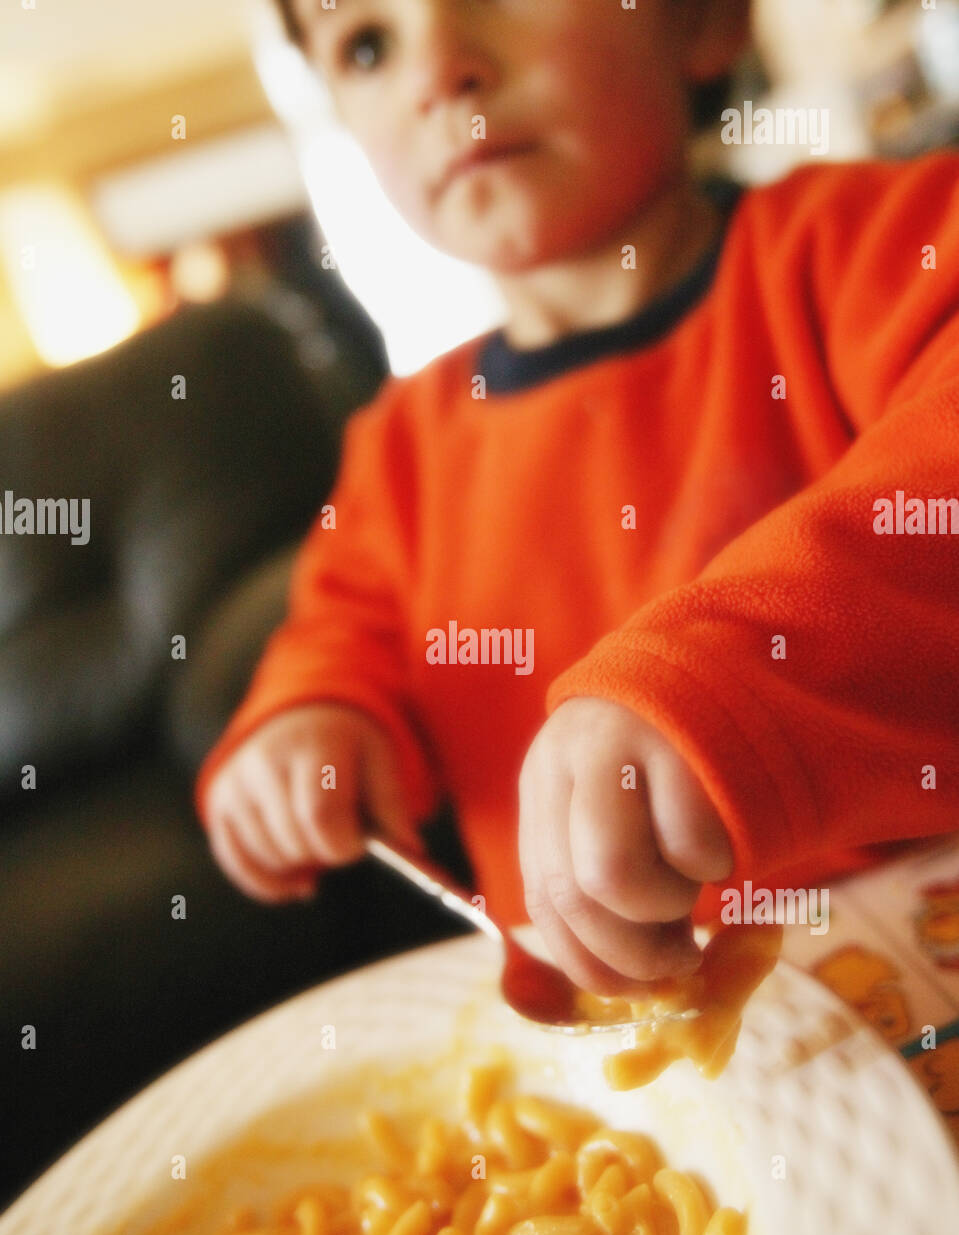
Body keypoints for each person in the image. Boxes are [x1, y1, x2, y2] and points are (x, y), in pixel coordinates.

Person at [194, 0, 959, 1001]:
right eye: (367, 45)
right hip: (615, 1060)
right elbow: (337, 636)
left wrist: (728, 679)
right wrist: (307, 723)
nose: (440, 71)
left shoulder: (869, 246)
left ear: (701, 22)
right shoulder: (398, 451)